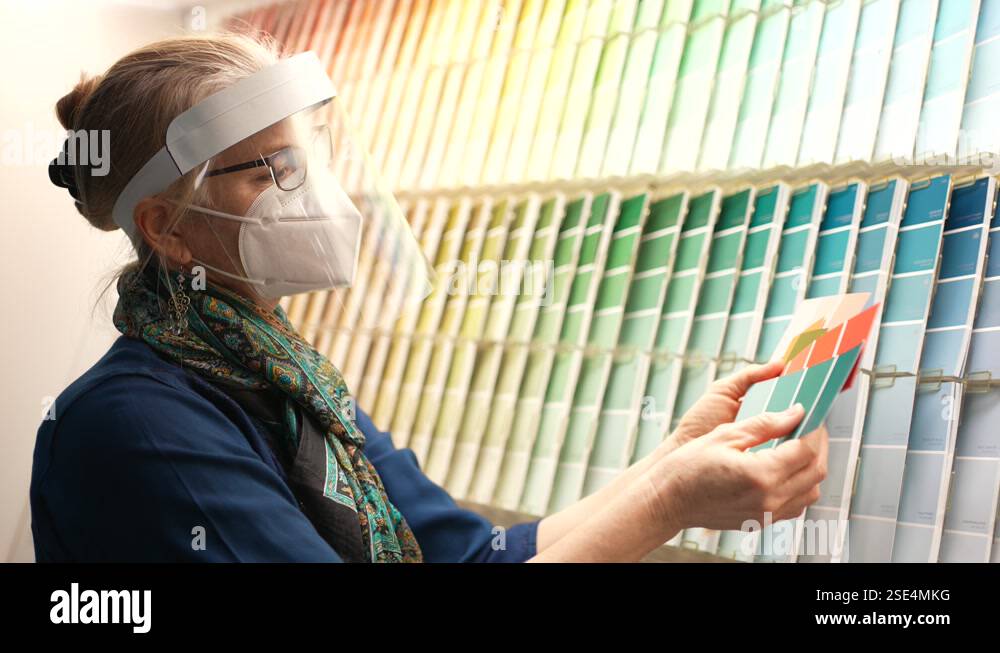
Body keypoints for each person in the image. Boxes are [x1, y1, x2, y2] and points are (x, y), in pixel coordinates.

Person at [30, 34, 827, 563]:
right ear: (167, 229)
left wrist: (671, 461)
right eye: (269, 169)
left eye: (304, 159)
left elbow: (478, 559)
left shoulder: (287, 378)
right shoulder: (132, 426)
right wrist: (666, 499)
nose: (314, 194)